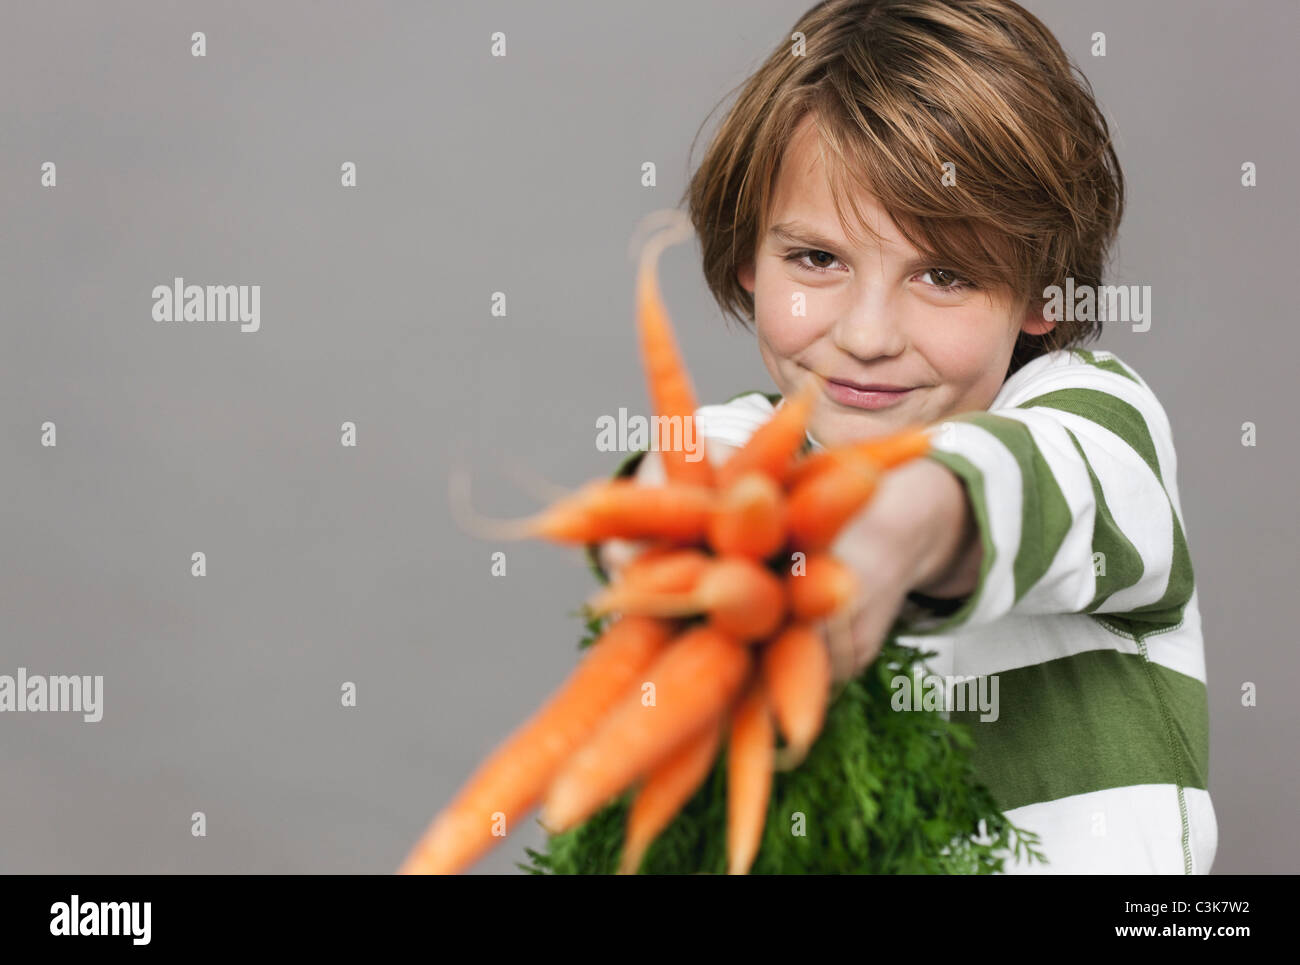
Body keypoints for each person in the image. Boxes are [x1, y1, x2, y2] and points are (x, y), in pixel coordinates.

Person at [593, 0, 1214, 874]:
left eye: (945, 274)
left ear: (1044, 292)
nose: (868, 333)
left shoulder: (1094, 418)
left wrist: (906, 521)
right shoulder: (742, 438)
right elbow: (687, 481)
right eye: (817, 259)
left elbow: (1039, 481)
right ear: (748, 257)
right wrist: (688, 543)